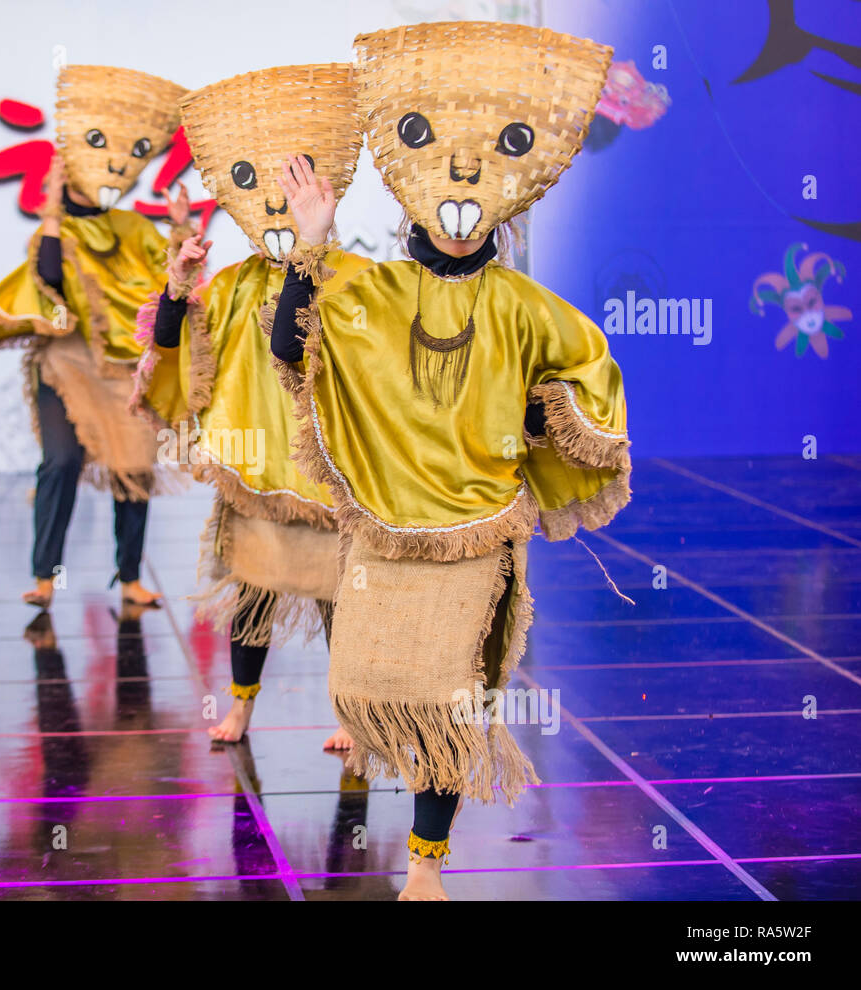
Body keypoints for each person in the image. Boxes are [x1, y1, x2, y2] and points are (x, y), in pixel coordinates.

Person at [269, 21, 626, 900]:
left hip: (478, 538)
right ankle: (371, 758)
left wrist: (553, 413)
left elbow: (592, 383)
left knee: (451, 698)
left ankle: (425, 866)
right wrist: (311, 242)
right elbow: (292, 346)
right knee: (364, 682)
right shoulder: (370, 288)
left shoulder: (528, 306)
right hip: (386, 537)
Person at [128, 65, 370, 746]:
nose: (278, 206)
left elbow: (304, 347)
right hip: (254, 469)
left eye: (294, 188)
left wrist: (313, 248)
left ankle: (350, 716)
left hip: (326, 473)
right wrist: (177, 286)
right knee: (253, 593)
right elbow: (178, 348)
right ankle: (240, 707)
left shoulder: (357, 282)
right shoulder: (233, 283)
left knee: (335, 599)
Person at [0, 64, 193, 609]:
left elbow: (172, 284)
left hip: (125, 370)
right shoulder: (51, 230)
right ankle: (43, 576)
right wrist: (52, 214)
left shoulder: (132, 228)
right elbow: (48, 282)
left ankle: (129, 578)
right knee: (60, 462)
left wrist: (180, 230)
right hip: (65, 364)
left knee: (133, 468)